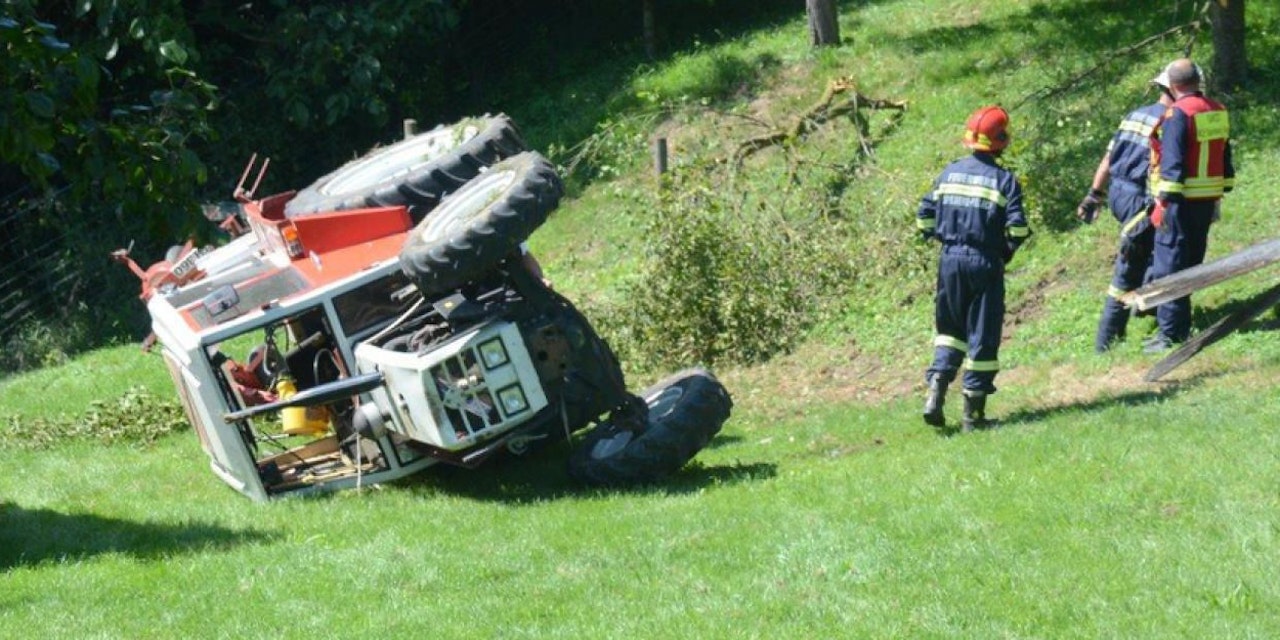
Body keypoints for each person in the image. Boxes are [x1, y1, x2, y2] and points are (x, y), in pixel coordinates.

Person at [917, 105, 1031, 432]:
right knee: (982, 334)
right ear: (1001, 141)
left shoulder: (948, 173)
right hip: (984, 261)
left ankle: (936, 390)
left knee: (949, 331)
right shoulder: (1004, 181)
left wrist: (938, 237)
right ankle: (973, 416)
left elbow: (924, 215)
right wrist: (1005, 253)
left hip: (949, 260)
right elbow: (1019, 229)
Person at [1079, 69, 1178, 352]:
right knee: (1132, 265)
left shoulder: (1135, 115)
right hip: (1139, 199)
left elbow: (1109, 157)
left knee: (1152, 254)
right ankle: (1106, 342)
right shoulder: (1168, 122)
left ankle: (1146, 306)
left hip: (1118, 195)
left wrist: (1094, 194)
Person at [1144, 58, 1235, 353]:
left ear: (1172, 86)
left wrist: (1164, 203)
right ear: (1198, 80)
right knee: (1191, 260)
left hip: (1180, 203)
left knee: (1170, 265)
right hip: (1207, 201)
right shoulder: (1218, 110)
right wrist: (1223, 187)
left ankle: (1170, 334)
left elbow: (1173, 162)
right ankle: (1174, 323)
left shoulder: (1178, 113)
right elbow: (1225, 154)